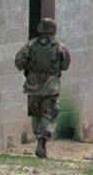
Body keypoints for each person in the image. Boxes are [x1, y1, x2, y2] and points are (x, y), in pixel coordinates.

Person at [15, 17, 71, 158]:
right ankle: (42, 139)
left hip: (32, 86)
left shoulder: (31, 45)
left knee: (36, 114)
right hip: (51, 86)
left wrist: (31, 67)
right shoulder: (59, 47)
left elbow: (19, 62)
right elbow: (65, 66)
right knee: (49, 113)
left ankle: (39, 136)